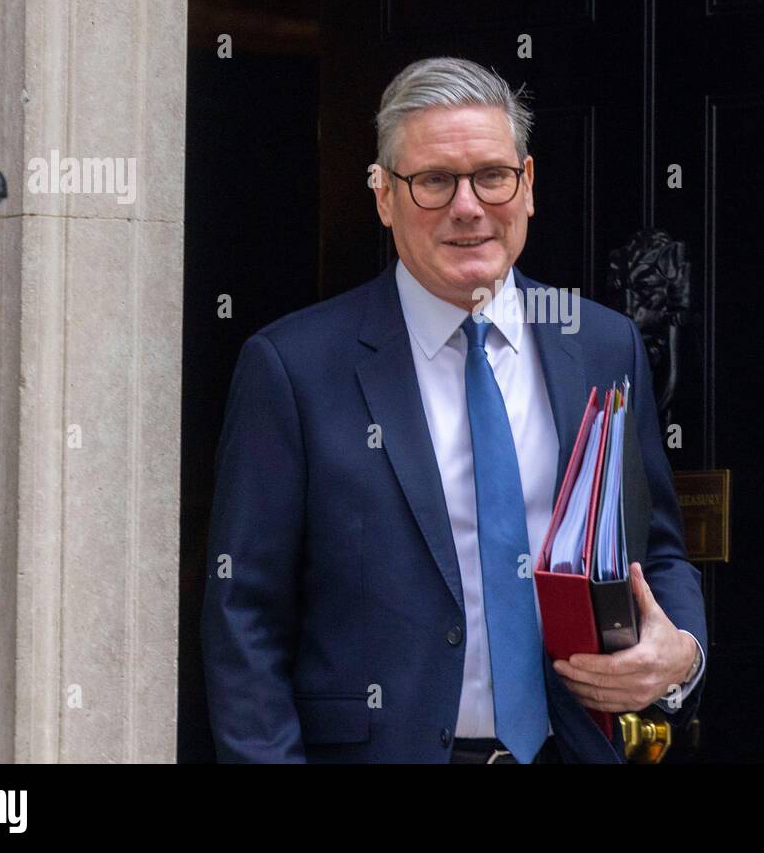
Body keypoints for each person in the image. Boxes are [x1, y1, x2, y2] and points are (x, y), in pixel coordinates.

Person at [201, 56, 707, 763]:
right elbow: (244, 612)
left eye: (491, 176)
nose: (467, 206)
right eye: (434, 181)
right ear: (383, 196)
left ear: (527, 186)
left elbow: (656, 550)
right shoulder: (293, 368)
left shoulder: (600, 345)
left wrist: (680, 654)